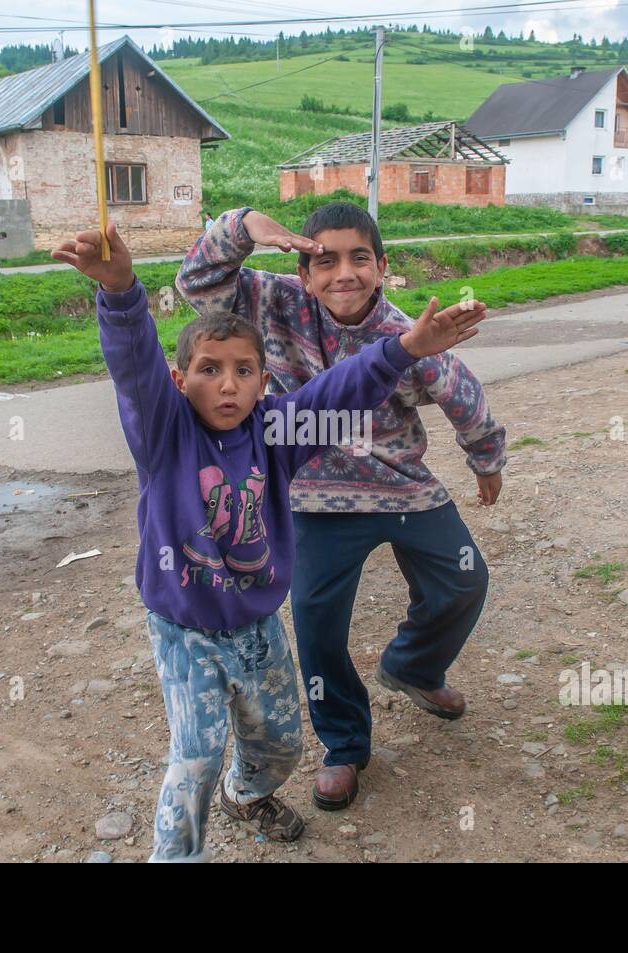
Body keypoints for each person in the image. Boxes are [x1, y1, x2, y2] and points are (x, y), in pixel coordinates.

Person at [52, 222, 489, 861]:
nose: (226, 385)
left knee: (281, 742)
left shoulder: (278, 433)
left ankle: (248, 791)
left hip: (258, 629)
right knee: (195, 755)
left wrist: (406, 347)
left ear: (264, 384)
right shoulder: (162, 432)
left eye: (243, 371)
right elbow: (133, 361)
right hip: (185, 630)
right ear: (179, 381)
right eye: (208, 370)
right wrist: (120, 288)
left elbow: (337, 389)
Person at [178, 204, 506, 811]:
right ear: (303, 274)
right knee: (316, 625)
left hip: (399, 481)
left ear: (382, 268)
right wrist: (244, 224)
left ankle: (414, 666)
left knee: (463, 580)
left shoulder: (409, 332)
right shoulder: (271, 303)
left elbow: (462, 393)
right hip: (312, 491)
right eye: (324, 260)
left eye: (360, 258)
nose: (343, 274)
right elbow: (196, 282)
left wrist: (487, 457)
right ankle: (345, 744)